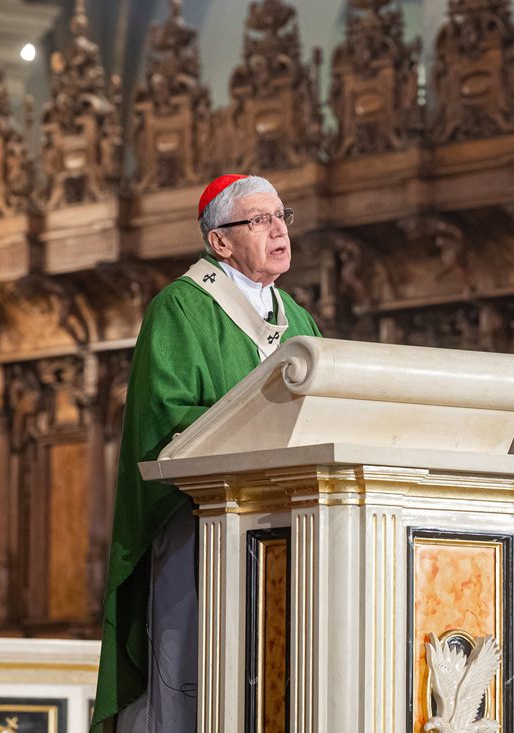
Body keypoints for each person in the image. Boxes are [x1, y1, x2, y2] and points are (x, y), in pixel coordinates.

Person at [90, 174, 322, 733]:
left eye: (281, 216)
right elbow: (166, 419)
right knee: (198, 677)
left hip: (287, 523)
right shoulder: (181, 309)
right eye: (259, 220)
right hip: (200, 524)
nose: (278, 231)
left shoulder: (296, 318)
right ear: (220, 242)